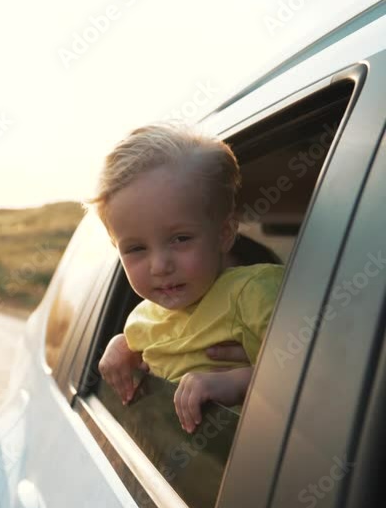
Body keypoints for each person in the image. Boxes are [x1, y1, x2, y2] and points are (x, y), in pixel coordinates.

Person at [86, 124, 285, 433]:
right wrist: (120, 346)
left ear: (223, 234)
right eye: (136, 248)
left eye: (180, 239)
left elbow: (322, 379)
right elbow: (149, 338)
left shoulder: (254, 292)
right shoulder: (141, 319)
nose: (159, 266)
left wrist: (240, 381)